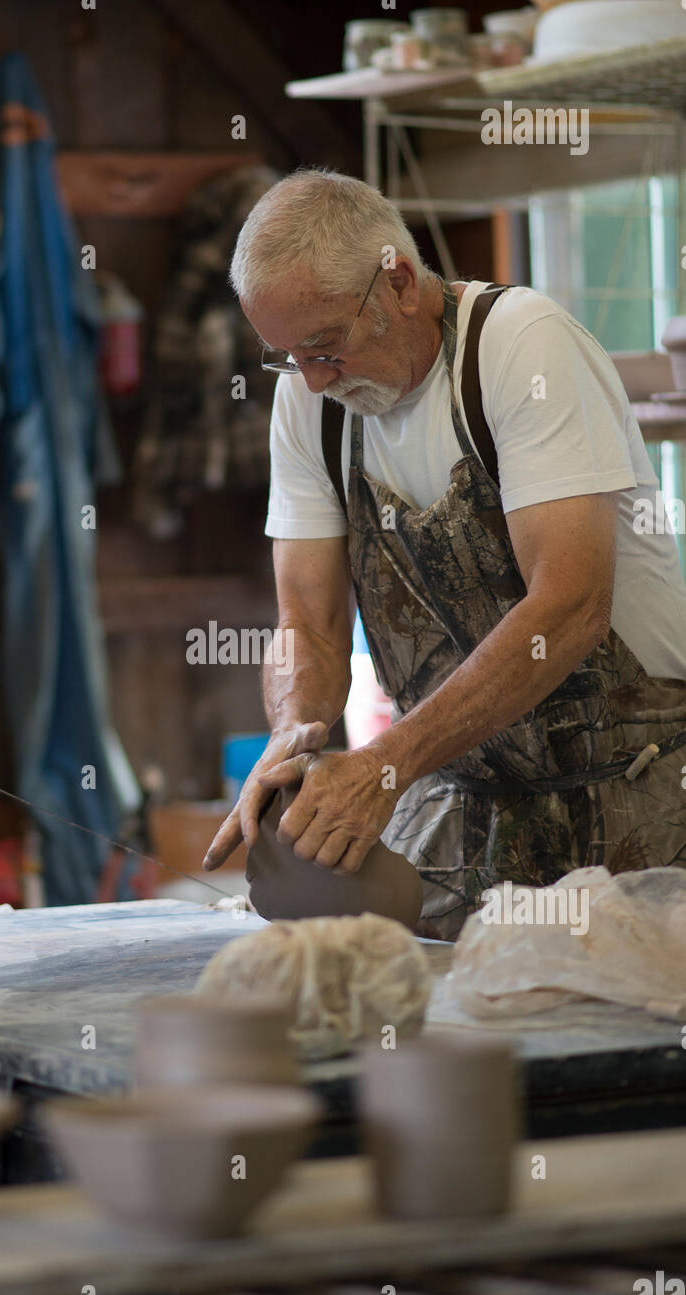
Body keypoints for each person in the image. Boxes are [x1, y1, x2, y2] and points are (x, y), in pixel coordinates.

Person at [204, 170, 686, 939]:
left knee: (621, 1041)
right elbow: (310, 622)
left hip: (639, 785)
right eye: (288, 356)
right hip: (464, 794)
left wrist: (386, 764)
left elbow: (569, 607)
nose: (315, 379)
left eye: (325, 346)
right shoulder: (311, 405)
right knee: (421, 1021)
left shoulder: (520, 347)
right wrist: (293, 734)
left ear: (398, 281)